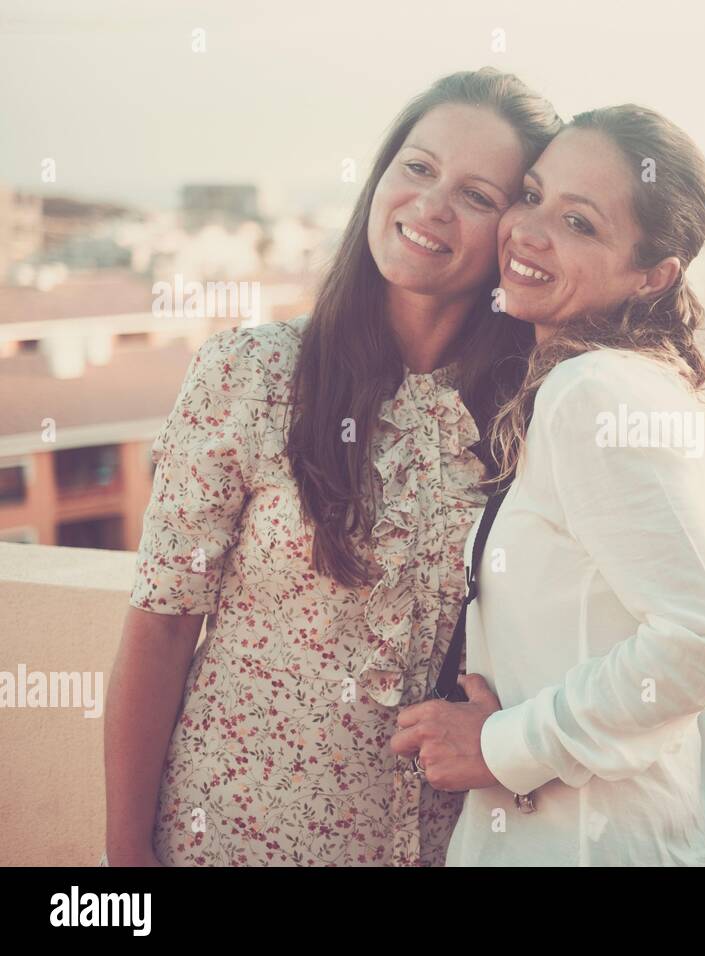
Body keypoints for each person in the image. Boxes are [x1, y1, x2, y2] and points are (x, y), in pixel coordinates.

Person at [103, 68, 561, 866]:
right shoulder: (249, 375)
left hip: (444, 848)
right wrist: (123, 861)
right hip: (233, 840)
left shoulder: (534, 414)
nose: (431, 206)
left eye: (478, 196)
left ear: (513, 233)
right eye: (418, 167)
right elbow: (161, 629)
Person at [390, 105, 705, 865]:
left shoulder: (591, 393)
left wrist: (504, 745)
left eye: (580, 224)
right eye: (531, 195)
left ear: (651, 275)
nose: (529, 230)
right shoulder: (628, 382)